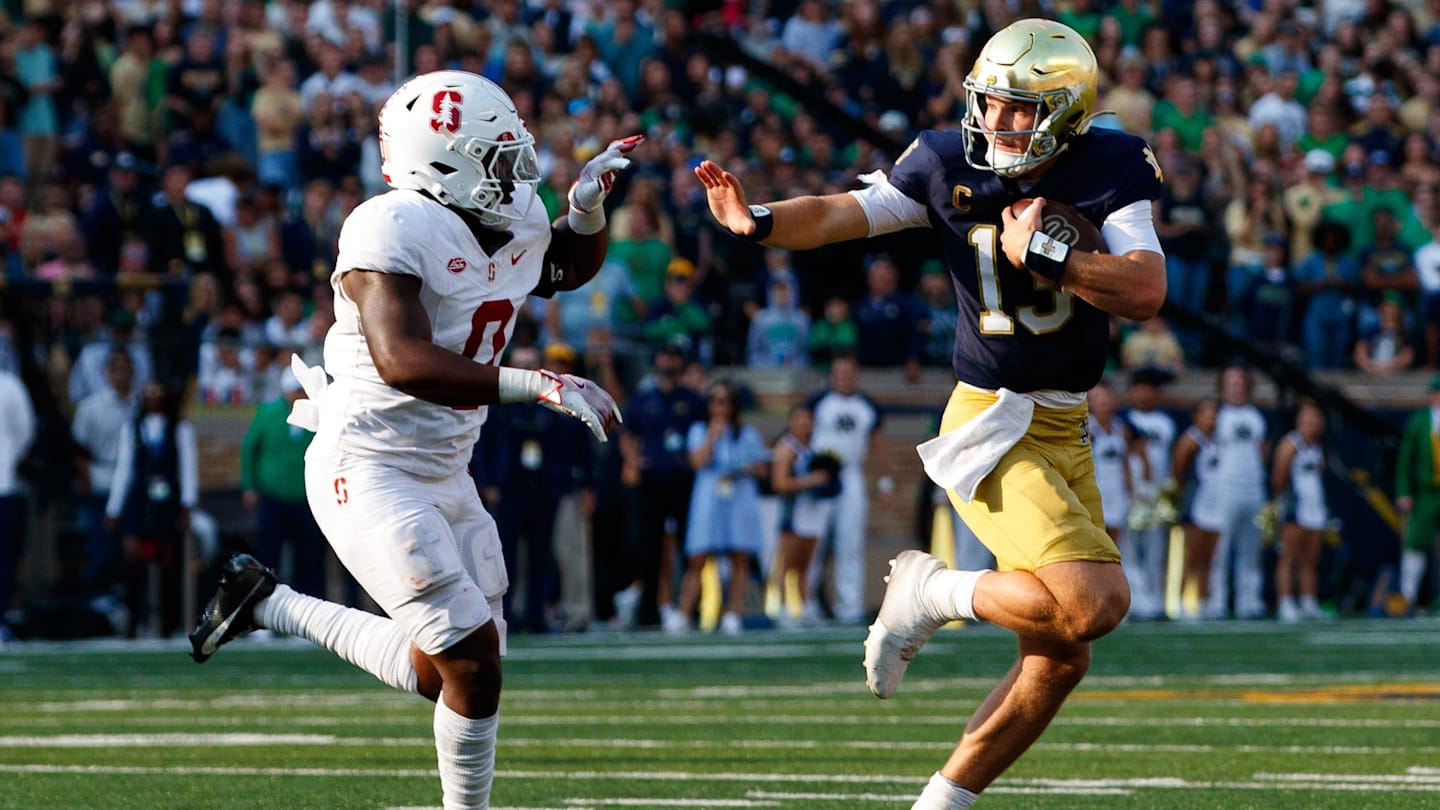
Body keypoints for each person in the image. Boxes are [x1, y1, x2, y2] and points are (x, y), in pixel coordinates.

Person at [697, 18, 1165, 806]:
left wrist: (1049, 255)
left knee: (1058, 657)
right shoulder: (945, 160)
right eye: (990, 103)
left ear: (1068, 112)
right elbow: (843, 212)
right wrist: (761, 222)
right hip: (991, 418)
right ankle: (932, 591)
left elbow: (1145, 289)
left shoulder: (1113, 163)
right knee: (1094, 604)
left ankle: (938, 804)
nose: (998, 123)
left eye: (1021, 108)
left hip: (1065, 422)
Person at [187, 71, 628, 810]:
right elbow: (403, 360)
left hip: (446, 464)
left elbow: (555, 269)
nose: (516, 170)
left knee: (443, 670)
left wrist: (584, 211)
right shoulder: (385, 227)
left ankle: (267, 602)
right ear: (441, 164)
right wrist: (538, 384)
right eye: (494, 156)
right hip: (370, 460)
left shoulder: (515, 210)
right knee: (475, 665)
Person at [616, 340, 706, 629]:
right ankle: (649, 612)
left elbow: (704, 432)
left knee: (690, 546)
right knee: (649, 547)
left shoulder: (692, 400)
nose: (668, 362)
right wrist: (632, 461)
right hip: (652, 478)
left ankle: (692, 609)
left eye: (673, 357)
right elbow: (626, 433)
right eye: (664, 356)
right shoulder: (642, 399)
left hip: (683, 479)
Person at [670, 380, 768, 635]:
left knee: (739, 555)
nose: (719, 406)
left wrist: (744, 468)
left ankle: (733, 613)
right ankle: (684, 612)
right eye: (714, 400)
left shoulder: (746, 433)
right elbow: (698, 460)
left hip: (738, 495)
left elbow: (760, 467)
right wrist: (713, 436)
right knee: (698, 556)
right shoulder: (700, 430)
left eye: (724, 400)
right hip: (709, 495)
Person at [106, 382, 197, 638]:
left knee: (167, 558)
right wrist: (114, 506)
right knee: (132, 556)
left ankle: (168, 621)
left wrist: (187, 502)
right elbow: (124, 467)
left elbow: (188, 466)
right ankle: (133, 618)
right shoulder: (132, 427)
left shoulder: (179, 428)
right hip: (140, 496)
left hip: (167, 497)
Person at [803, 354, 881, 625]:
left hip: (850, 475)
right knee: (813, 542)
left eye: (849, 372)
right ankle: (805, 604)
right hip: (820, 476)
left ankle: (849, 607)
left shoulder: (867, 406)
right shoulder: (818, 403)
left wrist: (881, 481)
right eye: (839, 372)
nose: (844, 378)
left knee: (850, 543)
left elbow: (876, 443)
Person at [239, 369, 325, 597]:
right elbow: (249, 449)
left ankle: (308, 616)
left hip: (307, 497)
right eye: (295, 390)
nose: (298, 394)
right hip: (272, 495)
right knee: (269, 555)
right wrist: (249, 485)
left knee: (309, 558)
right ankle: (266, 610)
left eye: (301, 390)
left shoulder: (320, 414)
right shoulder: (268, 413)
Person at [1206, 366, 1270, 620]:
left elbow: (1262, 452)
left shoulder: (1257, 417)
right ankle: (1217, 601)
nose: (1235, 387)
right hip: (1225, 489)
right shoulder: (1216, 415)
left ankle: (1249, 601)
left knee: (1251, 550)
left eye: (1239, 382)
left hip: (1252, 489)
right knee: (1220, 548)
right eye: (1230, 382)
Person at [71, 348, 137, 594]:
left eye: (125, 368)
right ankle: (96, 598)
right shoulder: (90, 407)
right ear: (107, 373)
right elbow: (79, 449)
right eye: (116, 369)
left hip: (130, 483)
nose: (121, 374)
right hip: (100, 480)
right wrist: (85, 481)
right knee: (100, 545)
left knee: (130, 548)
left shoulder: (140, 404)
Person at [768, 403, 836, 627]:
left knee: (805, 565)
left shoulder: (811, 447)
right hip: (793, 510)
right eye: (799, 420)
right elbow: (779, 483)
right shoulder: (786, 448)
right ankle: (782, 607)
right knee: (787, 562)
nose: (804, 425)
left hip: (810, 511)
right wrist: (810, 481)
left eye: (808, 420)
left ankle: (806, 606)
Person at [1122, 367, 1177, 621]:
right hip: (1132, 492)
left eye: (1151, 388)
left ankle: (1156, 599)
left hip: (1158, 491)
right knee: (1130, 548)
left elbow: (1174, 458)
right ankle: (1134, 599)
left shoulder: (1167, 423)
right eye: (1140, 387)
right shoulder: (1124, 421)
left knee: (1156, 550)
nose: (1145, 393)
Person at [1270, 401, 1329, 622]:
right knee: (1288, 557)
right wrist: (1286, 504)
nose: (1311, 423)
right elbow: (1279, 478)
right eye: (1307, 418)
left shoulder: (1317, 446)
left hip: (1315, 508)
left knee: (1310, 559)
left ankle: (1308, 601)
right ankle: (1285, 602)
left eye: (1315, 419)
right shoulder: (1290, 444)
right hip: (1296, 508)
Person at [1168, 398, 1223, 621]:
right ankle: (1180, 602)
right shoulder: (1190, 441)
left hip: (1215, 503)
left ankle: (1204, 601)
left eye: (1214, 413)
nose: (1211, 418)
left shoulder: (1219, 440)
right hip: (1195, 503)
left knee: (1208, 558)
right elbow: (1178, 472)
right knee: (1191, 556)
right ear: (1196, 417)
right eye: (1206, 413)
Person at [1394, 374, 1440, 614]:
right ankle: (1407, 595)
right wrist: (1403, 491)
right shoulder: (1420, 421)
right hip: (1426, 493)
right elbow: (1405, 459)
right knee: (1415, 543)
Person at [0, 364, 35, 644]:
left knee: (3, 558)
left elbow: (25, 432)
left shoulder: (10, 385)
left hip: (3, 485)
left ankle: (1, 619)